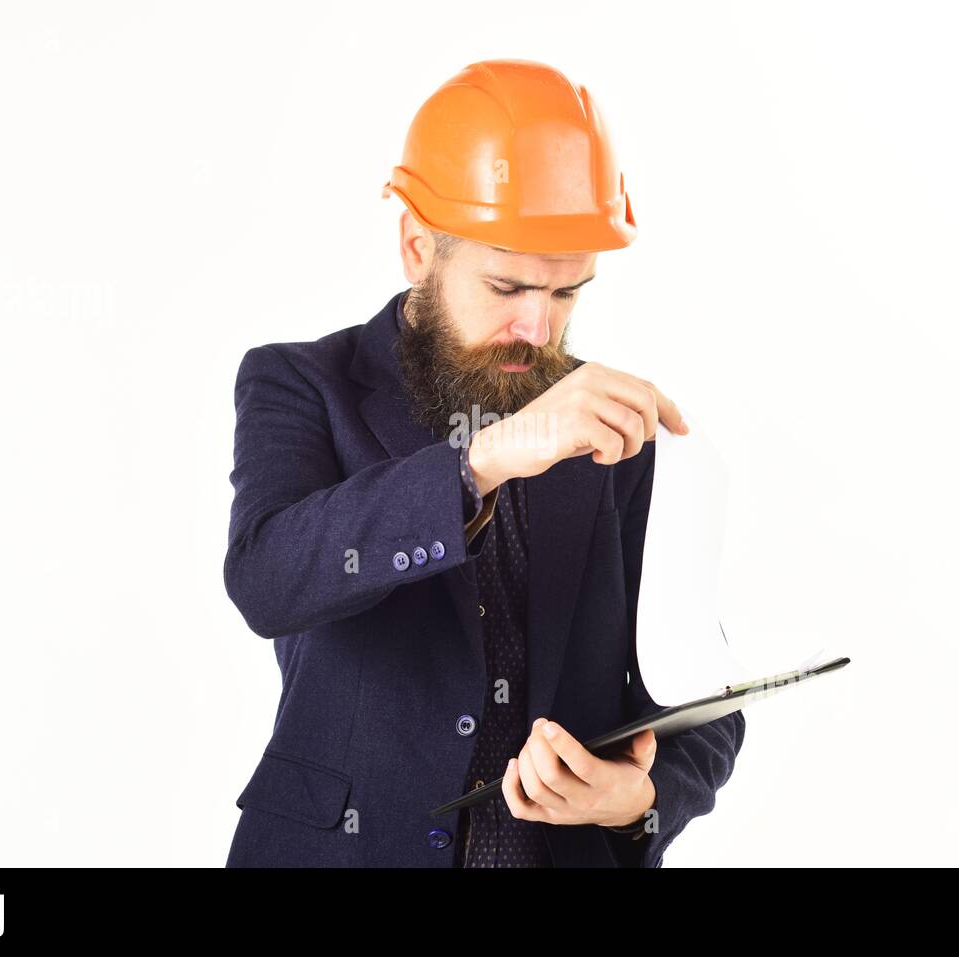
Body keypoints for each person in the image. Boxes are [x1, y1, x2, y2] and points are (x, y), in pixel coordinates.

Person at [223, 58, 745, 868]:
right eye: (506, 286)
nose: (538, 330)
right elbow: (268, 578)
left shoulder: (610, 430)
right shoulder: (298, 383)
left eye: (567, 293)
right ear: (416, 249)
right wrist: (482, 462)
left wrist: (635, 798)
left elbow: (705, 699)